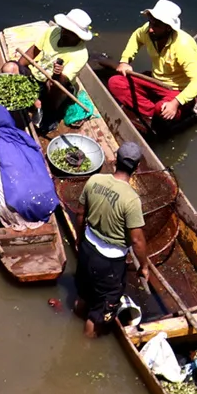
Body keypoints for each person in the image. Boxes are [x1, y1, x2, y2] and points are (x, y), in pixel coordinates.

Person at [74, 141, 148, 338]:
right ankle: (84, 348)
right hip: (109, 262)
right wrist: (144, 266)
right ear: (137, 167)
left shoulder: (94, 181)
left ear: (115, 159)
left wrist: (79, 240)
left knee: (83, 295)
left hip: (87, 248)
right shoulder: (131, 200)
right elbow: (137, 241)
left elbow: (80, 214)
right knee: (99, 313)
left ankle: (74, 320)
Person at [101, 0, 197, 135]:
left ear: (168, 27)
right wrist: (125, 60)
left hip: (176, 90)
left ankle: (164, 110)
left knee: (161, 109)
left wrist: (175, 103)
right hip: (155, 81)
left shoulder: (183, 46)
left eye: (156, 25)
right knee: (115, 82)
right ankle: (152, 111)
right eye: (151, 22)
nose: (150, 28)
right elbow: (136, 37)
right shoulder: (149, 31)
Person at [3, 9, 97, 130]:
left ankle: (48, 111)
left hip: (54, 86)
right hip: (36, 73)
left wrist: (57, 74)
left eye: (70, 33)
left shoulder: (81, 54)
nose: (64, 33)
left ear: (79, 37)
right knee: (9, 68)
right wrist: (19, 68)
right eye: (64, 29)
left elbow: (62, 82)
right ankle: (35, 101)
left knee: (53, 85)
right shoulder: (52, 32)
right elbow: (33, 52)